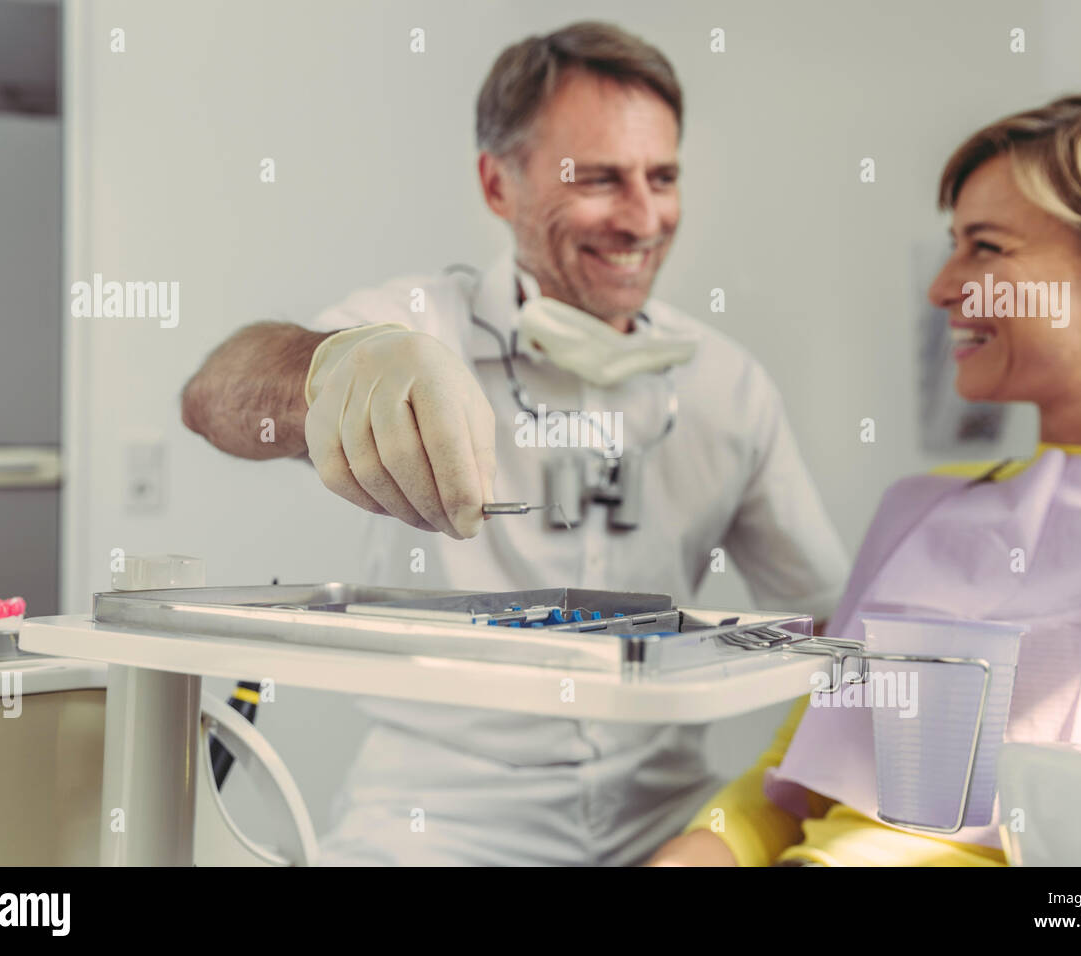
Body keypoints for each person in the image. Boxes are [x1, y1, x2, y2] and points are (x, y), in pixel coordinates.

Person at [180, 21, 849, 866]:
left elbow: (834, 617)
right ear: (499, 185)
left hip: (666, 817)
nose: (644, 217)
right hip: (439, 819)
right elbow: (213, 397)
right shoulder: (416, 327)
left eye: (663, 177)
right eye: (601, 179)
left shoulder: (728, 385)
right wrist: (332, 368)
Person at [648, 91, 1081, 867]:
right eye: (954, 245)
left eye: (986, 248)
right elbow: (784, 788)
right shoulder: (921, 510)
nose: (943, 286)